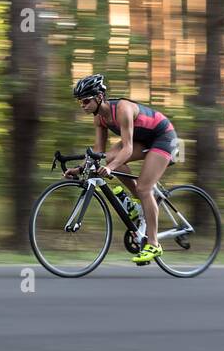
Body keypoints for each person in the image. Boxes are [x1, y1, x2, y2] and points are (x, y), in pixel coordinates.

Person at [66, 73, 180, 264]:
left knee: (144, 187)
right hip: (143, 139)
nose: (83, 105)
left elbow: (127, 149)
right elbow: (98, 153)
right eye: (80, 102)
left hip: (164, 137)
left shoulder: (122, 109)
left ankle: (153, 244)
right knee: (108, 156)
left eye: (86, 100)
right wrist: (78, 169)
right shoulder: (99, 119)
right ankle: (139, 205)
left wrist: (110, 169)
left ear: (99, 97)